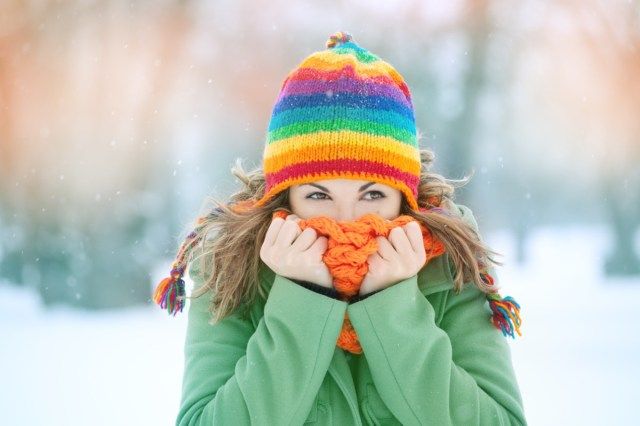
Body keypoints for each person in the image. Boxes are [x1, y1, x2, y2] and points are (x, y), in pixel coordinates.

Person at [154, 31, 527, 425]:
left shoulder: (451, 265)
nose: (347, 220)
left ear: (404, 197)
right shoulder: (230, 268)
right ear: (285, 196)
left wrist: (392, 307)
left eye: (372, 196)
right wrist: (302, 298)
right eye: (318, 196)